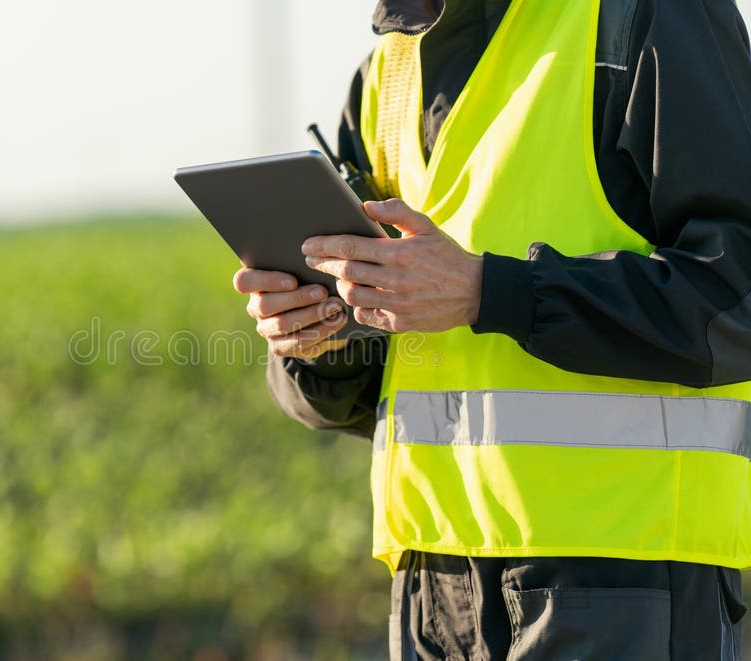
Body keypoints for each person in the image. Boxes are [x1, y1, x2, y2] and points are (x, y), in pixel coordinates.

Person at [233, 0, 751, 659]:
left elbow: (738, 295)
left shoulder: (651, 15)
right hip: (434, 584)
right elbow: (359, 380)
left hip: (626, 569)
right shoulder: (383, 72)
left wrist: (493, 291)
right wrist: (319, 339)